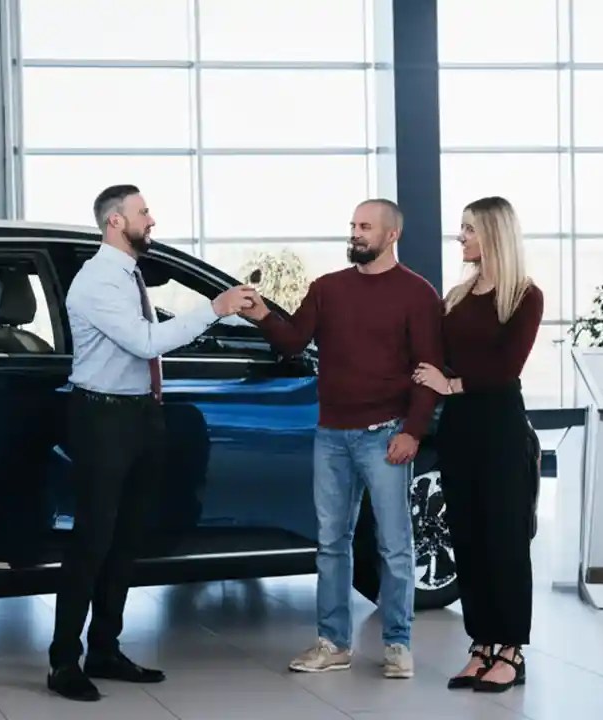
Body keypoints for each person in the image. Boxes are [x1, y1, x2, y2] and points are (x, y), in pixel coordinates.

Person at [47, 184, 257, 702]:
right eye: (143, 212)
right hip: (103, 417)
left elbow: (146, 337)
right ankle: (63, 662)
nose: (152, 219)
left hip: (139, 414)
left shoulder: (127, 274)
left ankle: (104, 649)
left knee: (126, 542)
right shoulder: (98, 279)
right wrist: (216, 307)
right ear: (115, 222)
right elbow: (144, 341)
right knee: (92, 542)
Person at [240, 198, 444, 680]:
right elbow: (292, 341)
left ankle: (397, 645)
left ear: (391, 235)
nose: (355, 234)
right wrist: (262, 313)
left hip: (386, 435)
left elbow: (428, 372)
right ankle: (332, 643)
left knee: (395, 546)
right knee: (332, 543)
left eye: (365, 227)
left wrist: (413, 432)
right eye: (353, 226)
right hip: (331, 435)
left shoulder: (417, 294)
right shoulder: (327, 289)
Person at [411, 196, 543, 693]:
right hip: (460, 430)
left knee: (504, 539)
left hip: (501, 429)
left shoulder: (525, 296)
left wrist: (452, 385)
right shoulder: (456, 296)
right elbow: (438, 357)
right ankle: (481, 644)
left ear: (493, 235)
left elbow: (507, 367)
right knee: (466, 538)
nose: (460, 237)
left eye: (468, 229)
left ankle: (511, 648)